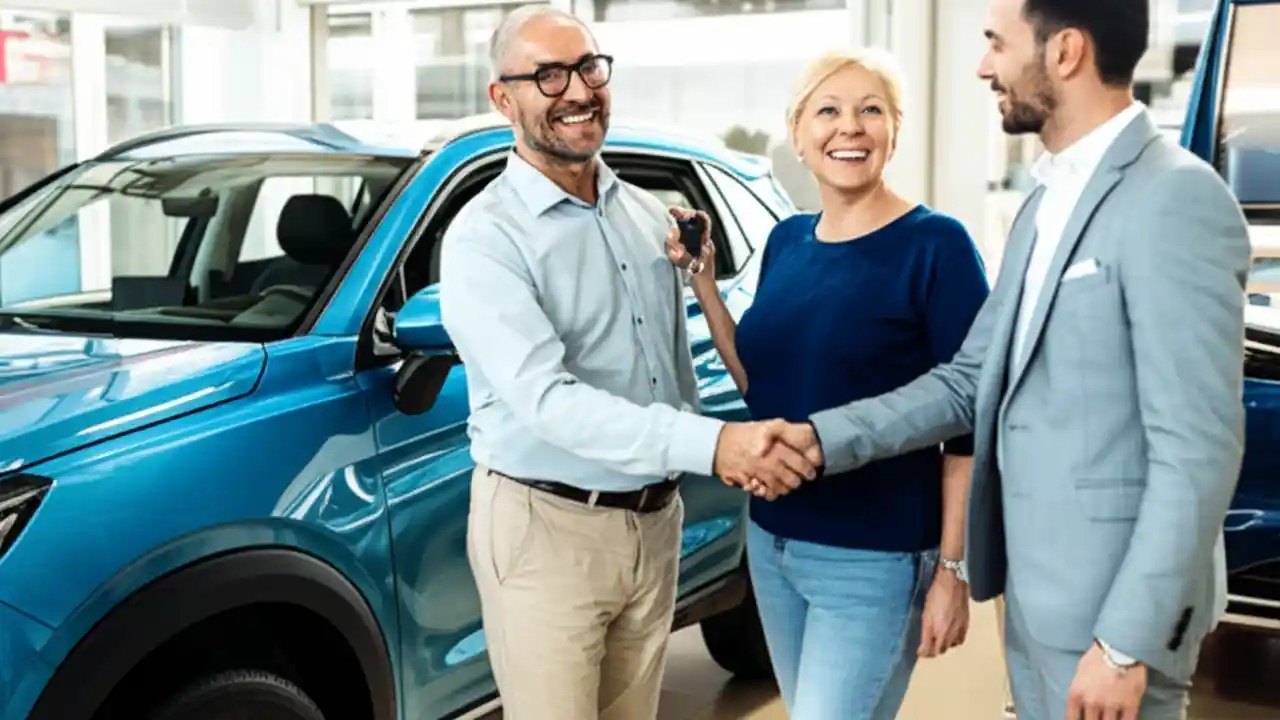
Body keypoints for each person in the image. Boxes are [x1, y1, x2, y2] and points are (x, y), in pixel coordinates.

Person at [771, 0, 1251, 718]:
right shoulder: (1044, 202)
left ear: (1064, 53)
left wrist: (1127, 643)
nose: (984, 66)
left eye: (998, 44)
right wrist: (818, 438)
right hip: (1038, 604)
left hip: (1111, 623)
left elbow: (1198, 452)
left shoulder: (1176, 197)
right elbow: (968, 382)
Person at [436, 5, 818, 719]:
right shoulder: (485, 240)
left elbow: (669, 371)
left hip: (654, 523)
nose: (578, 90)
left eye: (588, 67)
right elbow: (548, 402)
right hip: (548, 528)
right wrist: (717, 444)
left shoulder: (647, 215)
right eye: (547, 75)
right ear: (502, 98)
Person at [665, 48, 989, 719]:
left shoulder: (938, 246)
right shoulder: (787, 241)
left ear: (894, 131)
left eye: (872, 110)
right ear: (798, 133)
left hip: (874, 555)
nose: (851, 128)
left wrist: (952, 571)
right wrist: (703, 280)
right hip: (773, 544)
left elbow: (970, 424)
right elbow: (761, 380)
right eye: (829, 110)